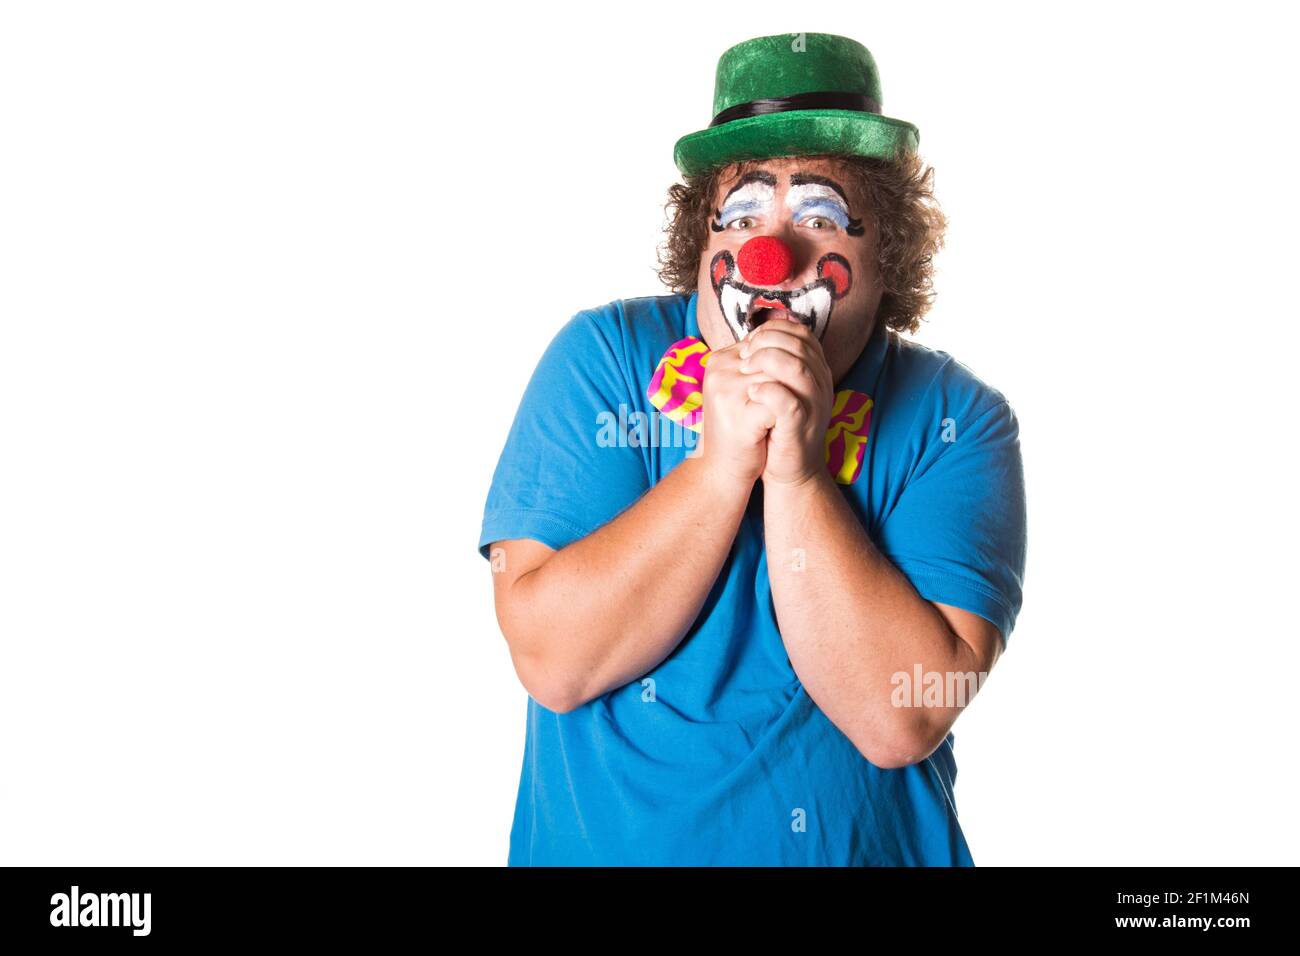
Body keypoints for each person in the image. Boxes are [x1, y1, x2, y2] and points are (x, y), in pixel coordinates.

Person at [478, 32, 1027, 865]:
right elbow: (554, 662)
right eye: (741, 217)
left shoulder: (962, 419)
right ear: (700, 244)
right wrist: (720, 465)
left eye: (818, 217)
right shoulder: (603, 362)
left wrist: (799, 473)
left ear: (889, 258)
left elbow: (900, 716)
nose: (774, 255)